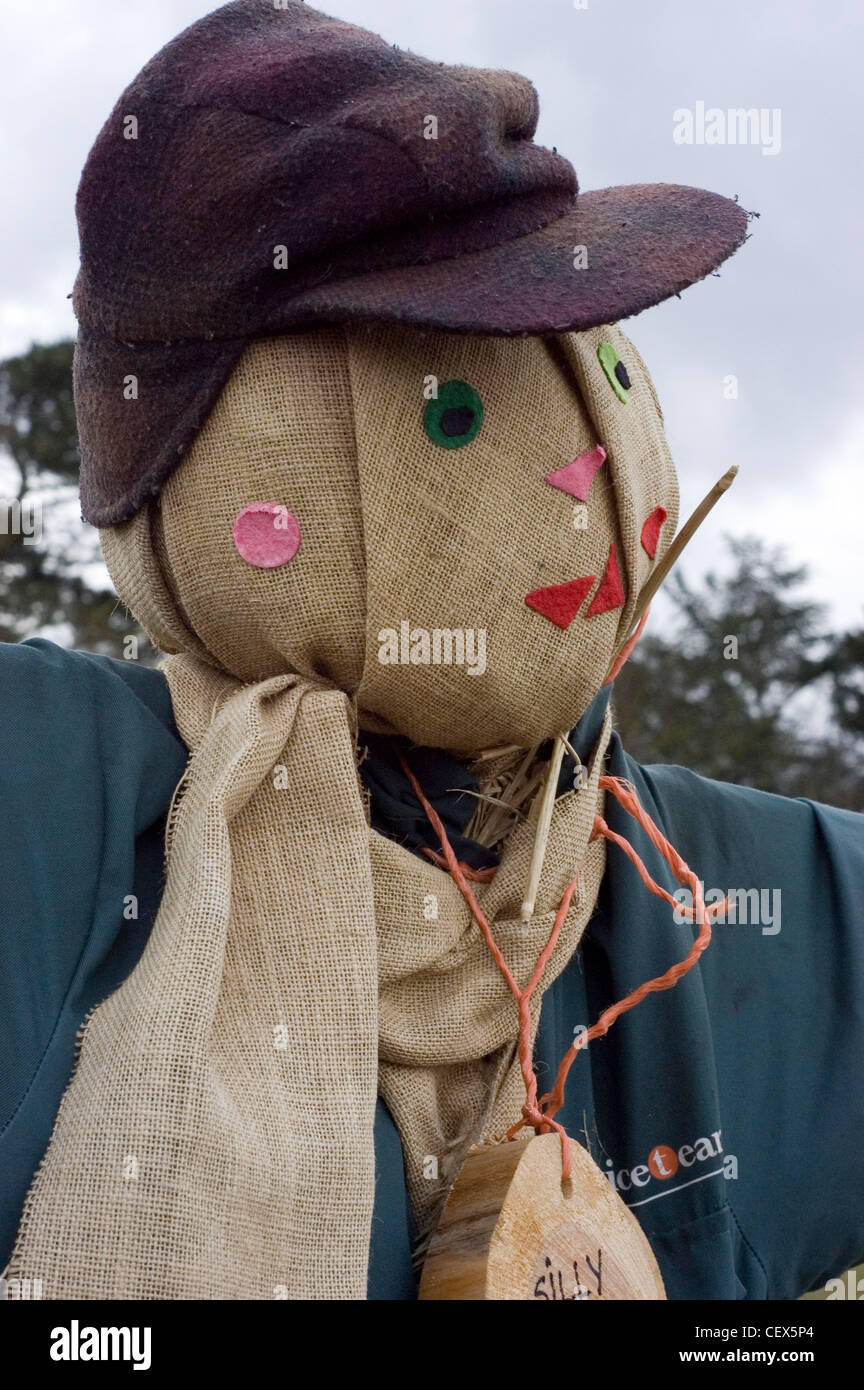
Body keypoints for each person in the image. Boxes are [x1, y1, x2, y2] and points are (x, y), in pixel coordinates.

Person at [1, 0, 861, 1301]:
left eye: (604, 370)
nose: (585, 459)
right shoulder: (63, 815)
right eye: (455, 410)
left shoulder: (697, 888)